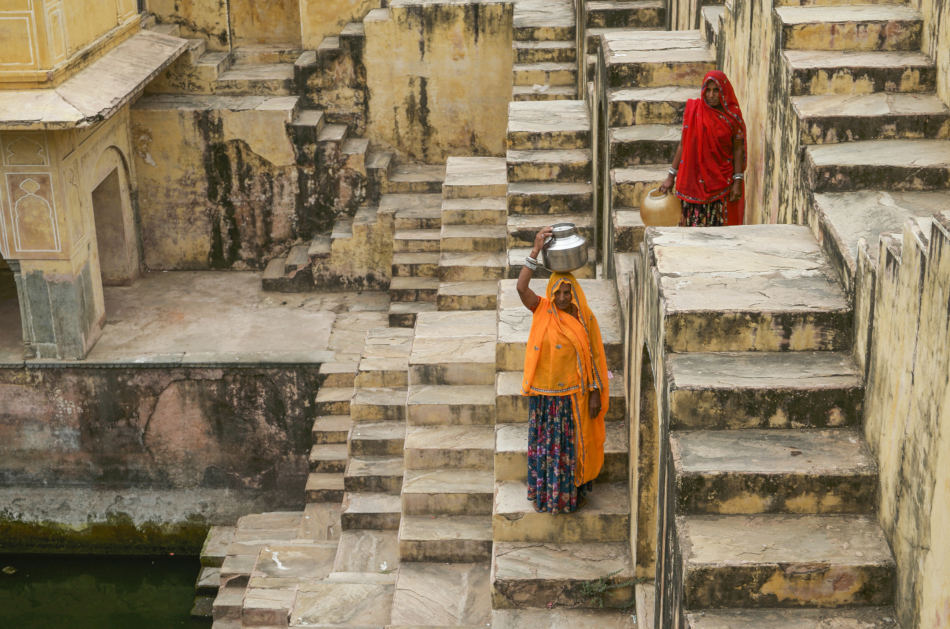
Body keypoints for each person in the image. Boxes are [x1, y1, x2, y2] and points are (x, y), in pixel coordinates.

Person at [516, 227, 609, 513]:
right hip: (545, 401)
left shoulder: (585, 318)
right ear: (551, 292)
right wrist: (535, 250)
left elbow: (593, 356)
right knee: (549, 452)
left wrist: (595, 391)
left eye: (568, 291)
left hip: (572, 400)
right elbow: (521, 288)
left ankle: (569, 496)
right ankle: (547, 495)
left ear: (575, 292)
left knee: (571, 451)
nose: (564, 296)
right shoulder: (542, 309)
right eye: (559, 291)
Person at [658, 70, 747, 226]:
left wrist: (738, 180)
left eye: (716, 90)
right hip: (692, 185)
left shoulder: (733, 118)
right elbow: (683, 144)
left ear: (724, 92)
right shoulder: (695, 110)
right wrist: (671, 176)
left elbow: (738, 149)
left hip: (720, 186)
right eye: (708, 90)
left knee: (719, 235)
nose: (711, 95)